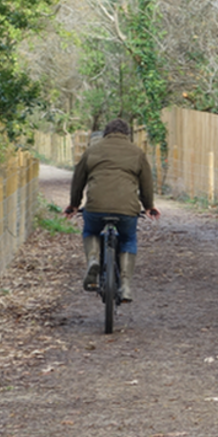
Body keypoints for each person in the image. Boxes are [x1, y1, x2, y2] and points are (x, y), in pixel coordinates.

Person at [63, 118, 160, 302]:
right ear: (127, 135)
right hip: (127, 210)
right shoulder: (137, 152)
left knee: (90, 230)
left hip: (95, 207)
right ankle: (125, 287)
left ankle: (93, 259)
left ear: (106, 133)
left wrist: (74, 204)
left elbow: (78, 180)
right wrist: (149, 206)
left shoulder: (92, 150)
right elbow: (146, 184)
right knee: (128, 239)